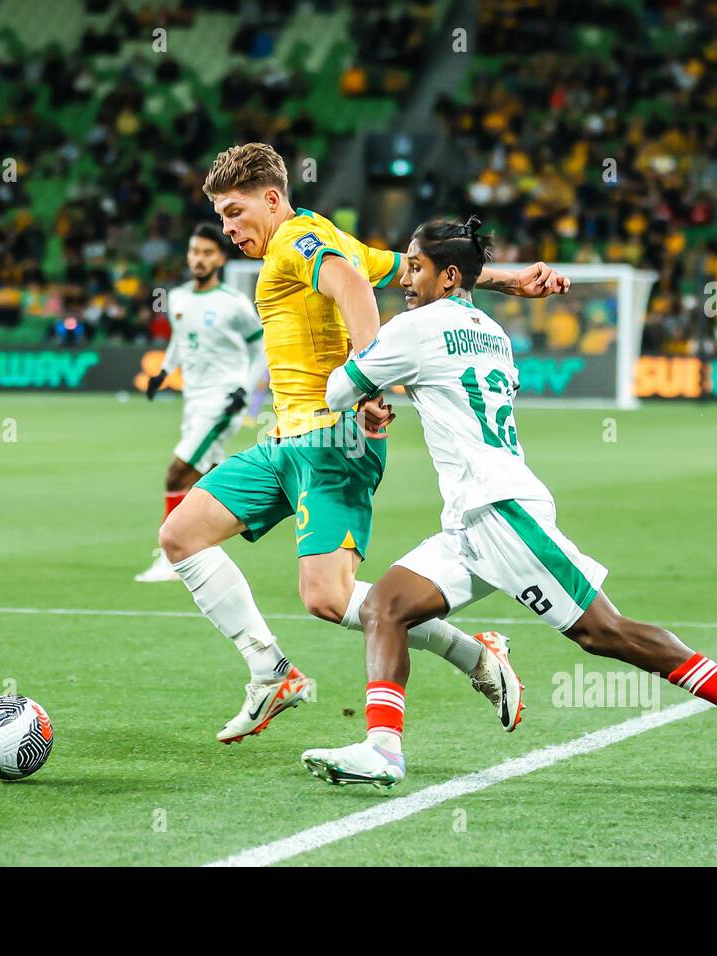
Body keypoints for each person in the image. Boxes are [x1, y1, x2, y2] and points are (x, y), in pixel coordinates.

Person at [301, 217, 717, 790]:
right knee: (387, 606)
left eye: (416, 265)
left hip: (502, 509)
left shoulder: (415, 328)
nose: (406, 276)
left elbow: (339, 389)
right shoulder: (492, 332)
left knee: (602, 632)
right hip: (472, 516)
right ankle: (383, 749)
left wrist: (345, 341)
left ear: (449, 274)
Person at [158, 144, 569, 744]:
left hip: (332, 444)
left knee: (328, 598)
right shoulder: (319, 234)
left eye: (234, 211)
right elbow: (394, 268)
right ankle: (269, 670)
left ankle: (476, 656)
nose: (226, 228)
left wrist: (367, 374)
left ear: (271, 200)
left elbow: (351, 283)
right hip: (284, 440)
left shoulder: (296, 243)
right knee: (180, 534)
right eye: (220, 216)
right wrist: (508, 277)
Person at [136, 224, 267, 582]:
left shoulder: (234, 303)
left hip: (222, 399)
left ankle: (171, 556)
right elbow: (178, 341)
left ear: (221, 258)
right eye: (195, 252)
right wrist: (163, 372)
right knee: (206, 477)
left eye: (208, 253)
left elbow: (261, 347)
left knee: (177, 470)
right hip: (193, 399)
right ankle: (218, 533)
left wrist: (244, 389)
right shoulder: (177, 297)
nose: (199, 258)